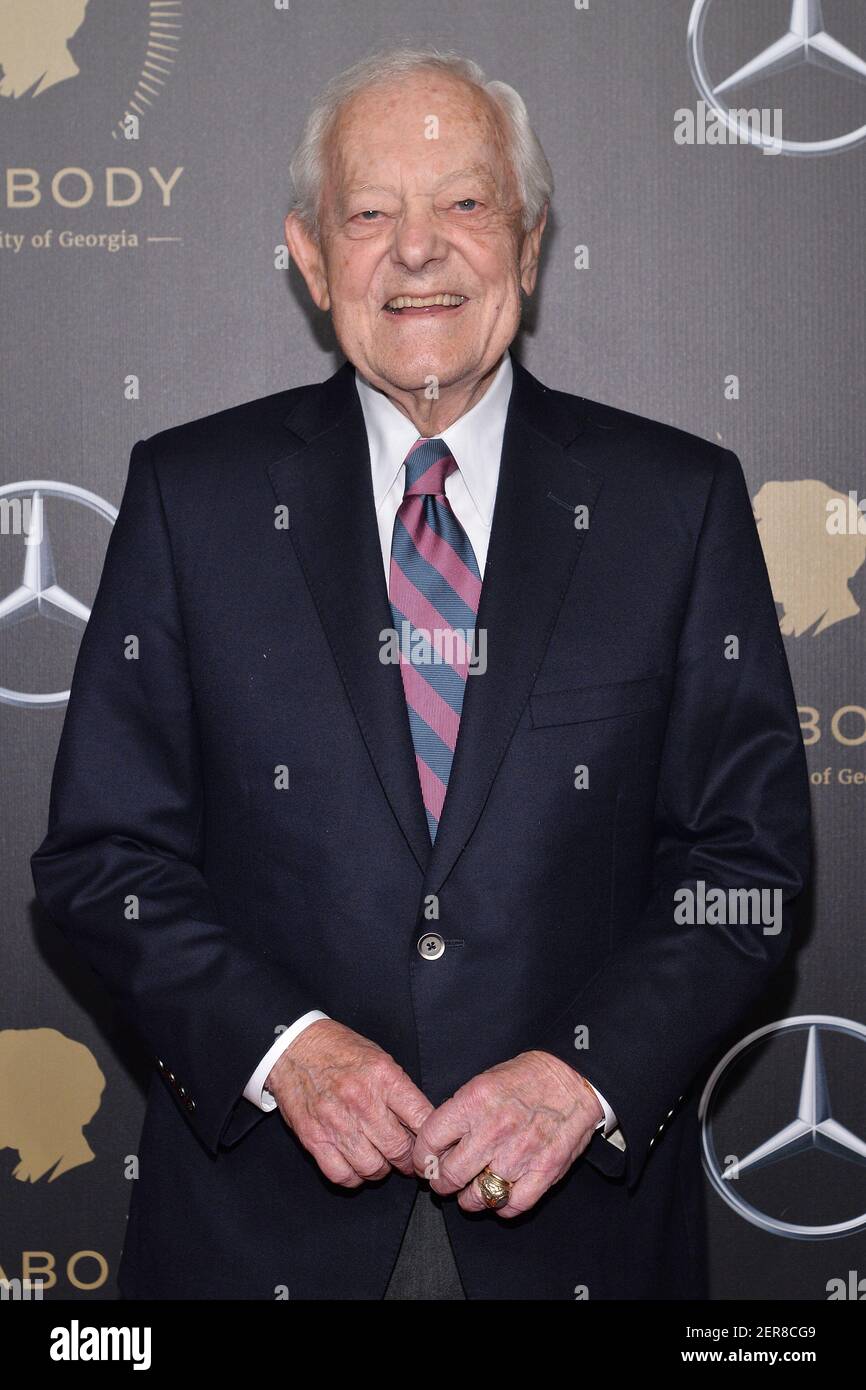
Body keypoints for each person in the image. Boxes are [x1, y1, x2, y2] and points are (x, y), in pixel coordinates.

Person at [30, 45, 811, 1300]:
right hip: (255, 1238)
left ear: (530, 240)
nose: (415, 249)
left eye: (462, 203)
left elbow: (745, 872)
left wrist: (581, 1074)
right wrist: (284, 1049)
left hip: (579, 1245)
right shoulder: (193, 497)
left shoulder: (676, 504)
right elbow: (101, 861)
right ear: (308, 251)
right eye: (369, 211)